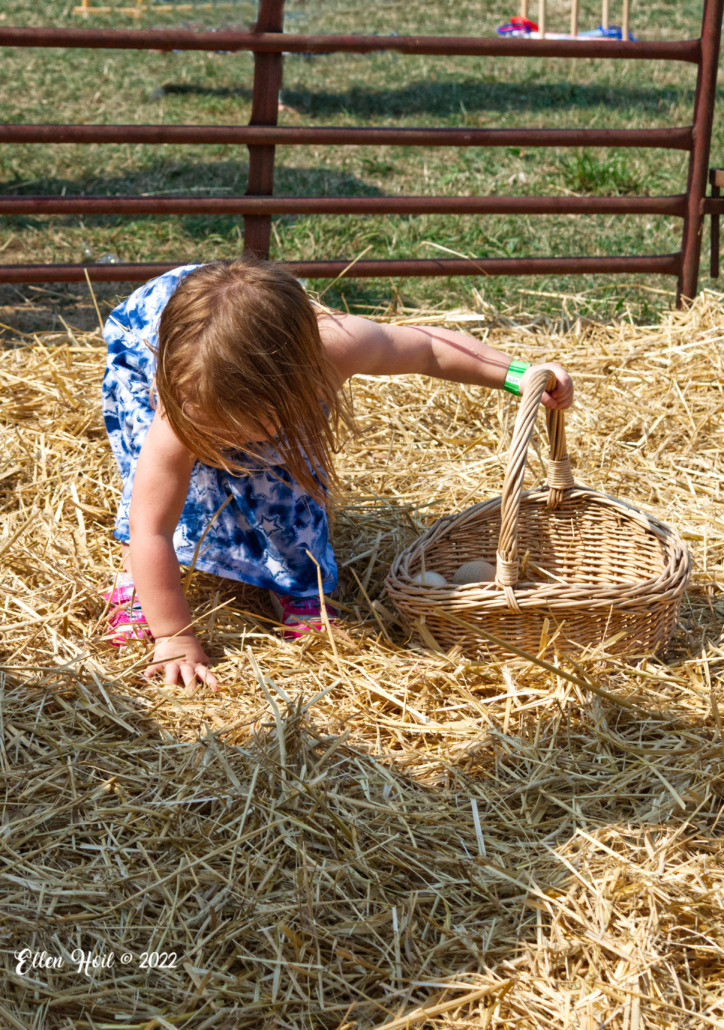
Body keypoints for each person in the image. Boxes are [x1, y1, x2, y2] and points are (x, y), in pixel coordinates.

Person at [102, 256, 573, 689]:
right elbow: (152, 528)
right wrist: (175, 637)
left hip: (257, 340)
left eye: (248, 428)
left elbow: (429, 349)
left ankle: (295, 574)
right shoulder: (179, 400)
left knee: (281, 477)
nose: (233, 443)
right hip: (157, 339)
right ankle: (140, 587)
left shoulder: (337, 347)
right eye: (218, 431)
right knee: (172, 491)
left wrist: (520, 375)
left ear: (301, 382)